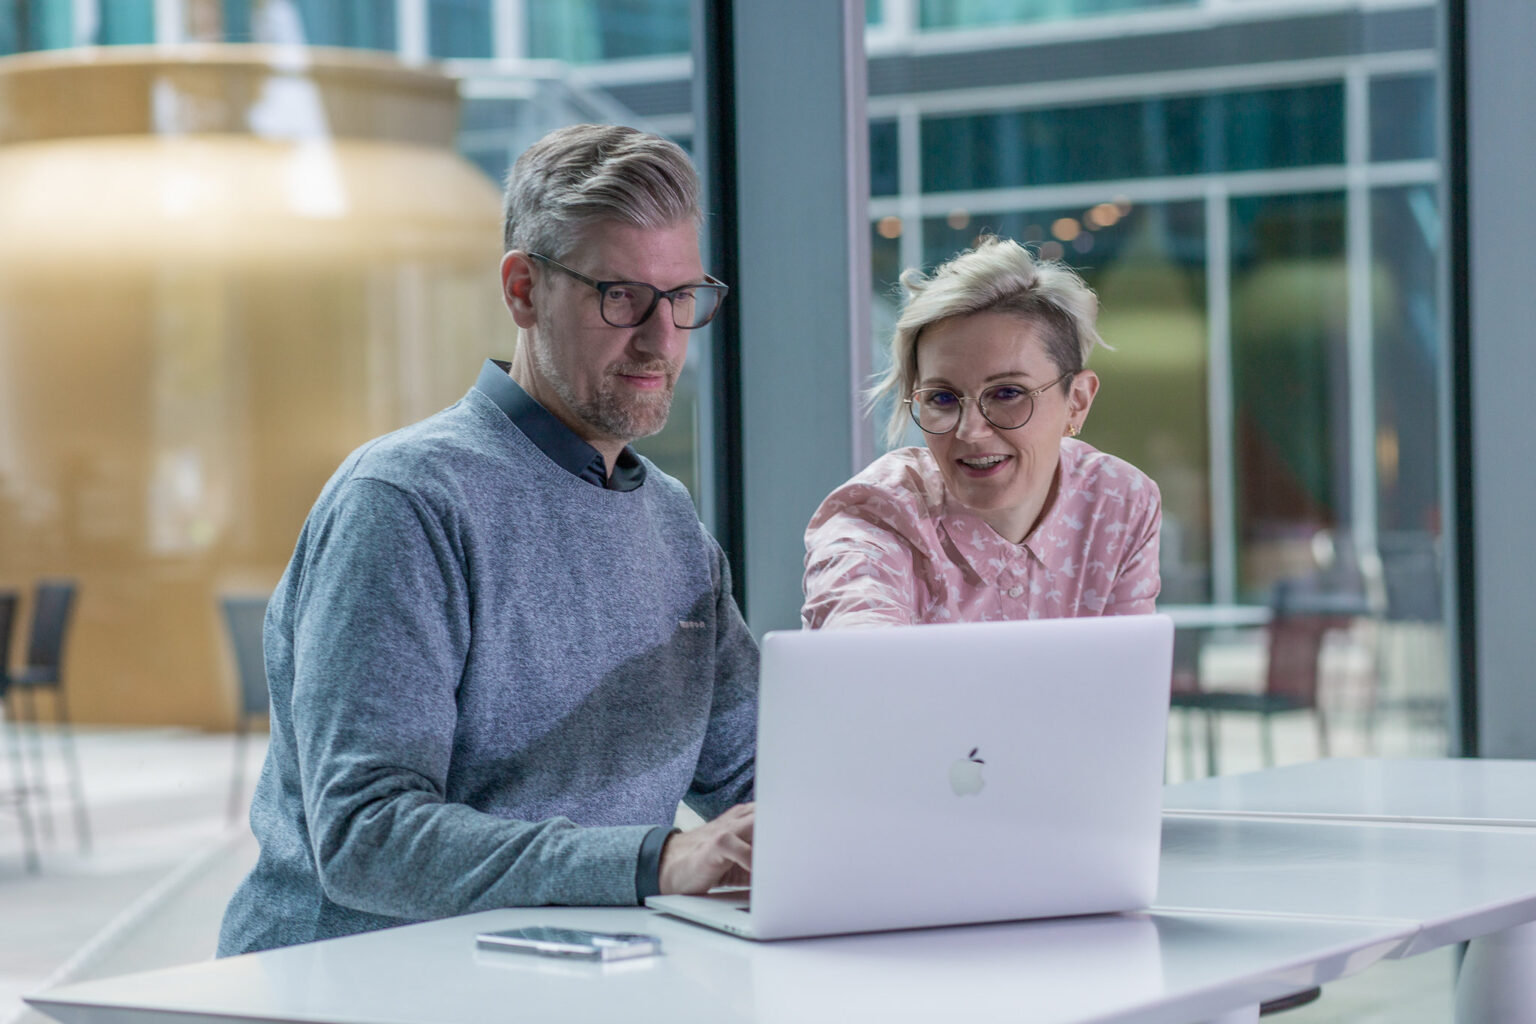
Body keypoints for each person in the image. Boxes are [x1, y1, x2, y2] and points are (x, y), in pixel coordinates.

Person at [219, 124, 756, 956]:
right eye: (621, 296)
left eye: (681, 296)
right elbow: (367, 837)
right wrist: (659, 861)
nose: (662, 339)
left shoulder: (672, 524)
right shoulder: (404, 502)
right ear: (523, 291)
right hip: (354, 986)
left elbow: (757, 775)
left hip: (570, 978)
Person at [802, 235, 1160, 629]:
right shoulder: (876, 515)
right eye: (942, 398)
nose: (970, 431)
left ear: (1076, 400)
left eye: (1007, 393)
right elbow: (856, 642)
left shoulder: (1117, 501)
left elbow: (1127, 665)